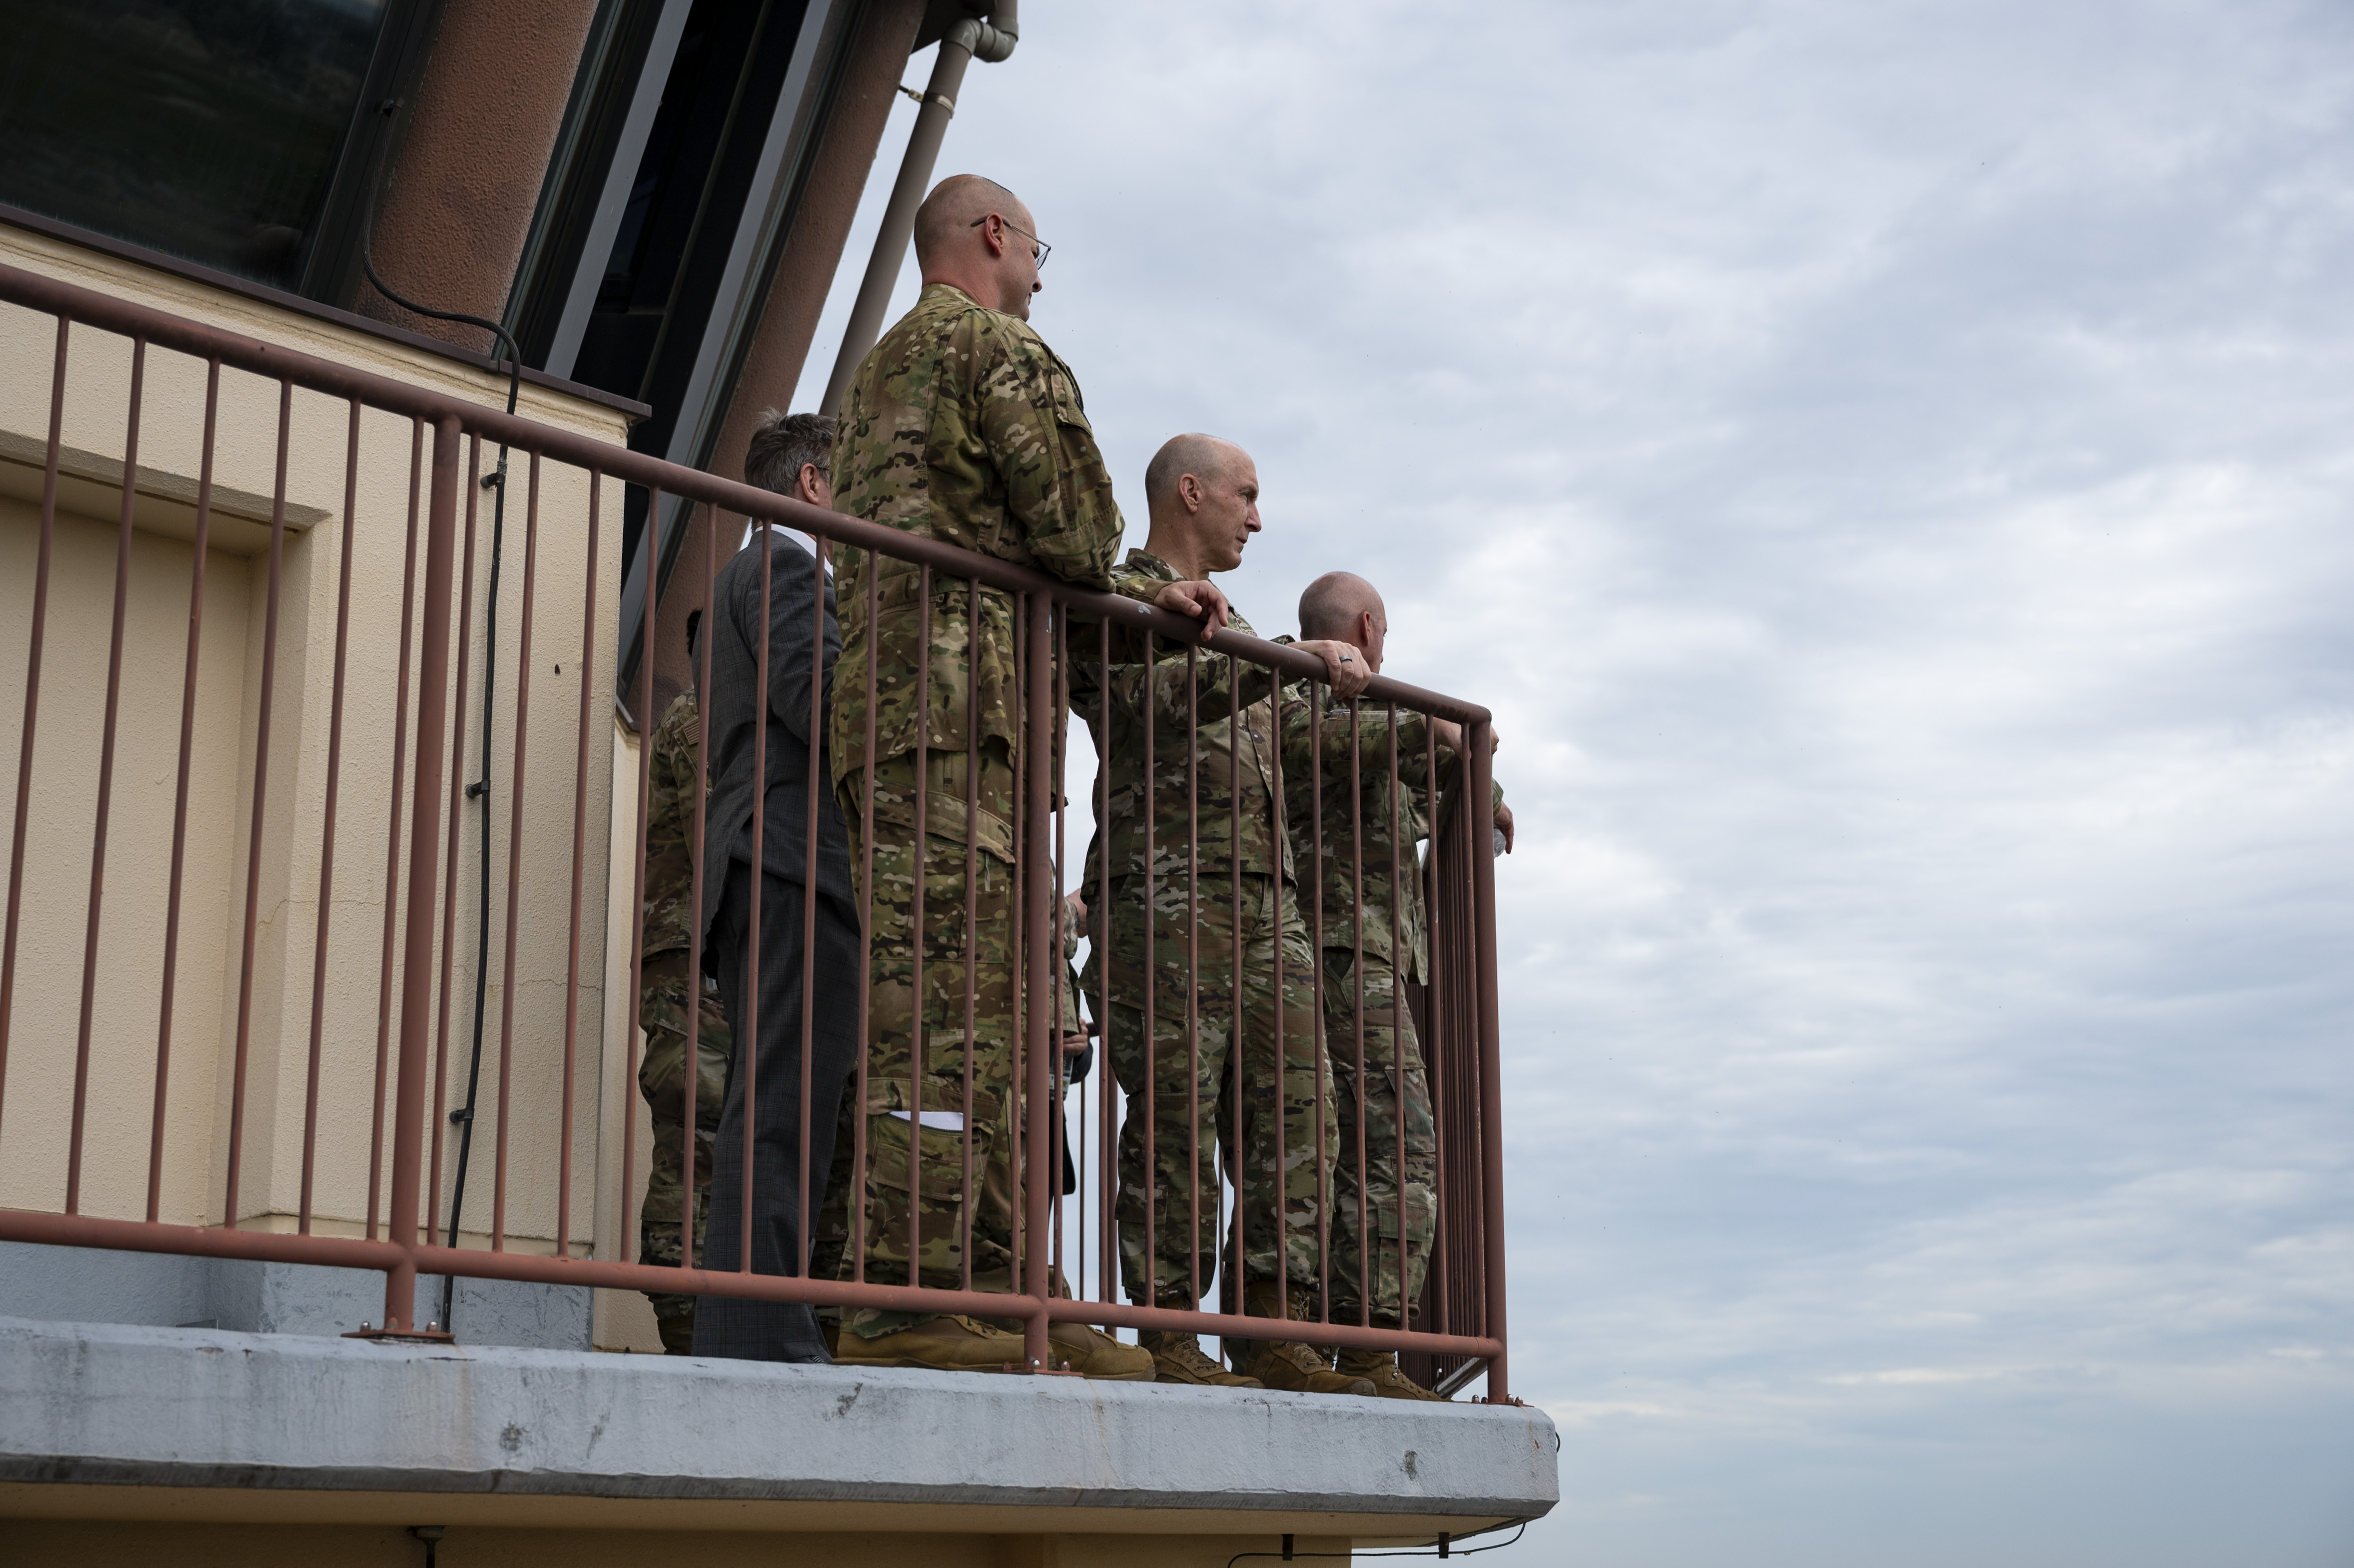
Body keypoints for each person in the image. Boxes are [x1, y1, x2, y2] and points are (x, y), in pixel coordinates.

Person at [827, 173, 1173, 1378]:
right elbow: (1075, 534)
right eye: (1036, 249)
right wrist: (1135, 586)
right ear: (993, 237)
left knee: (984, 1017)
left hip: (898, 717)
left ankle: (1005, 1286)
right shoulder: (999, 349)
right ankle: (902, 1297)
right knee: (949, 1022)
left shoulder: (873, 374)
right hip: (958, 718)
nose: (1038, 272)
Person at [1074, 432, 1379, 1395]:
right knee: (1175, 1119)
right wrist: (1287, 657)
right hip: (1167, 899)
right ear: (1191, 492)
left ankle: (1276, 1331)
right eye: (1246, 495)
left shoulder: (1237, 622)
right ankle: (1169, 1330)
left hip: (1265, 903)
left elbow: (1302, 734)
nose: (1257, 517)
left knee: (1301, 1116)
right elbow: (1151, 699)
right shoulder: (1118, 591)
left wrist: (1450, 751)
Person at [1287, 570, 1514, 1401]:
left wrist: (1483, 782)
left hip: (1367, 960)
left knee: (1362, 1148)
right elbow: (1399, 743)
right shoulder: (1307, 694)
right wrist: (1446, 734)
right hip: (1345, 957)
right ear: (1368, 627)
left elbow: (1448, 767)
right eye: (1383, 631)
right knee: (1386, 1147)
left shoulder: (1371, 717)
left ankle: (1361, 1347)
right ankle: (1354, 1344)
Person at [688, 411, 859, 1363]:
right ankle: (760, 1336)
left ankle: (756, 1326)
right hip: (791, 859)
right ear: (812, 484)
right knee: (783, 1108)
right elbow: (824, 701)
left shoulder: (746, 575)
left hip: (774, 857)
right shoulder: (788, 569)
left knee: (781, 1102)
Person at [636, 611, 732, 1354]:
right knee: (696, 1129)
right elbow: (720, 838)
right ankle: (683, 1311)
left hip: (708, 958)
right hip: (693, 965)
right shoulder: (700, 718)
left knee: (713, 1131)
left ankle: (705, 1308)